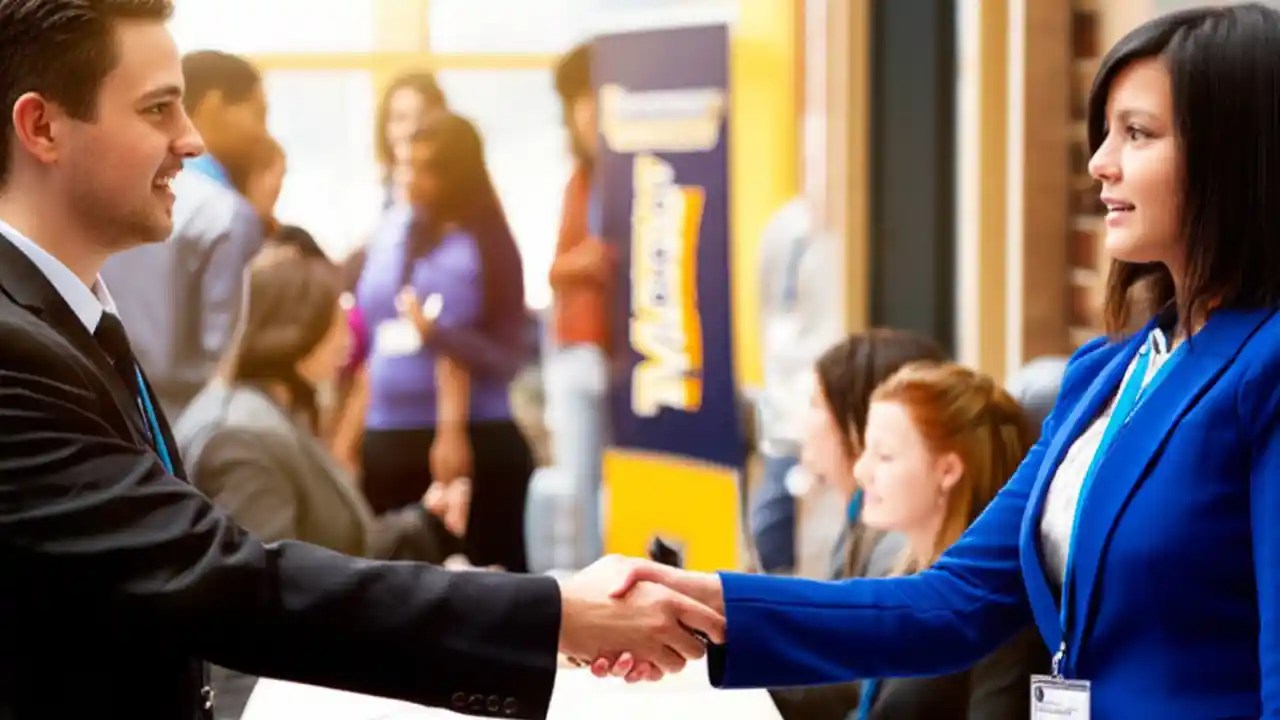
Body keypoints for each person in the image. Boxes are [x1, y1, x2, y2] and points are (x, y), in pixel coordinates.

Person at [0, 2, 723, 718]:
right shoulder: (15, 351)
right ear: (42, 127)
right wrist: (555, 613)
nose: (191, 141)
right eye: (157, 109)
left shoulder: (74, 324)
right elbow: (216, 579)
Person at [598, 5, 1280, 716]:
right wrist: (708, 603)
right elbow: (951, 602)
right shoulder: (1104, 373)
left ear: (1235, 155)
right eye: (1104, 131)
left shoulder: (1266, 368)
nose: (1099, 162)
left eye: (1137, 133)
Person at [354, 113, 534, 572]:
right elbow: (373, 336)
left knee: (480, 580)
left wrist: (449, 434)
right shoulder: (394, 228)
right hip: (388, 433)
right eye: (404, 165)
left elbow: (456, 357)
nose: (411, 179)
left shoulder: (477, 243)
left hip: (463, 438)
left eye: (426, 168)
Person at [101, 49, 268, 418]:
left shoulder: (113, 197)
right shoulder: (225, 215)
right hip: (192, 427)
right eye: (258, 114)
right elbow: (226, 354)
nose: (262, 133)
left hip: (111, 412)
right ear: (214, 105)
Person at [751, 197, 852, 574]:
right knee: (770, 526)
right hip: (787, 402)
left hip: (814, 393)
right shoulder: (786, 227)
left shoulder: (847, 232)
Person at [546, 41, 614, 568]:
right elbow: (558, 267)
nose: (586, 113)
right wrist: (589, 261)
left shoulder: (639, 175)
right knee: (581, 490)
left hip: (627, 357)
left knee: (625, 488)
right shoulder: (576, 182)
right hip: (579, 351)